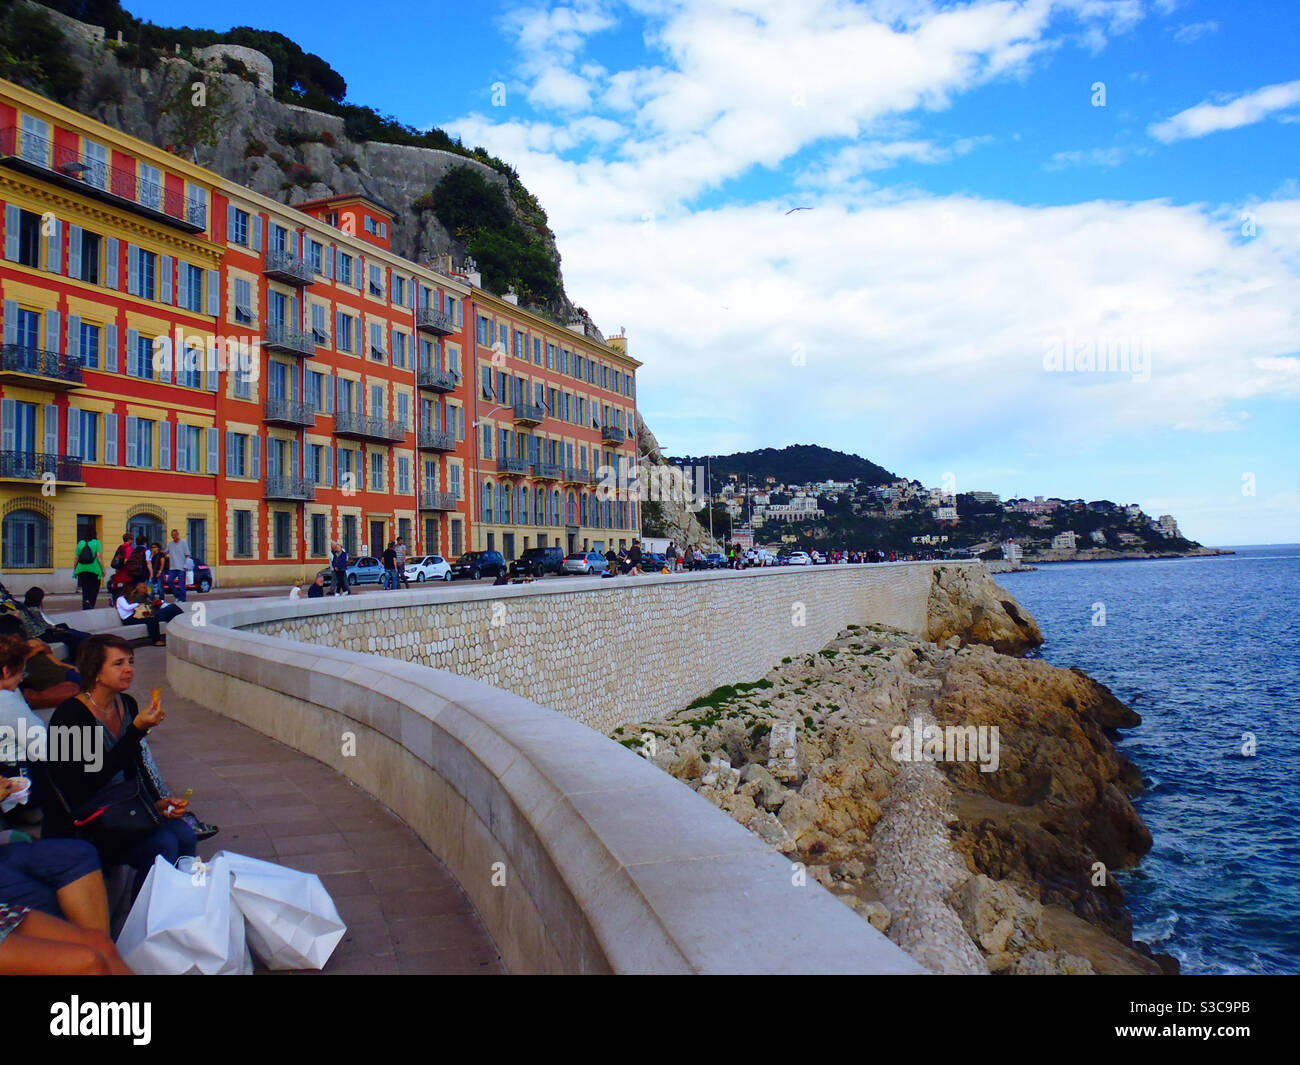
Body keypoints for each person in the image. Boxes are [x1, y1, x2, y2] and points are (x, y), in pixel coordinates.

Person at [40, 635, 196, 904]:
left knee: (184, 834)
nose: (129, 669)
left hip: (126, 807)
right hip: (88, 819)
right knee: (163, 845)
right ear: (95, 672)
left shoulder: (126, 704)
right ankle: (142, 927)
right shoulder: (70, 717)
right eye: (118, 663)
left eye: (131, 662)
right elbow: (84, 785)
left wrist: (157, 802)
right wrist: (136, 731)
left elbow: (135, 764)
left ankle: (178, 915)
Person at [16, 588, 89, 661]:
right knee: (69, 637)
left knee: (64, 627)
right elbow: (43, 624)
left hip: (39, 632)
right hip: (42, 635)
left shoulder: (23, 609)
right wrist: (55, 628)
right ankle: (74, 658)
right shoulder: (34, 610)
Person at [115, 583, 181, 646]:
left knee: (153, 619)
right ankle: (156, 640)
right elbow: (127, 607)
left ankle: (175, 630)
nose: (133, 593)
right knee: (152, 619)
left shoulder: (140, 597)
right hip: (128, 619)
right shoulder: (121, 599)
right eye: (133, 591)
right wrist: (137, 604)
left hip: (134, 616)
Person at [73, 525, 104, 611]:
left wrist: (75, 568)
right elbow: (99, 557)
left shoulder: (80, 543)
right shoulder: (97, 542)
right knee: (95, 587)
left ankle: (85, 603)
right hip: (94, 569)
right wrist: (103, 569)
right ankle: (91, 603)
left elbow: (76, 557)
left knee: (85, 587)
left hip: (82, 569)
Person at [165, 529, 191, 604]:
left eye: (175, 535)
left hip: (181, 567)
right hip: (172, 567)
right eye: (172, 535)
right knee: (169, 581)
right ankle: (177, 595)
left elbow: (187, 554)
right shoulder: (171, 544)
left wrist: (186, 565)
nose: (173, 537)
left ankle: (182, 599)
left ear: (178, 534)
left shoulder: (183, 542)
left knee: (181, 584)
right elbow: (165, 552)